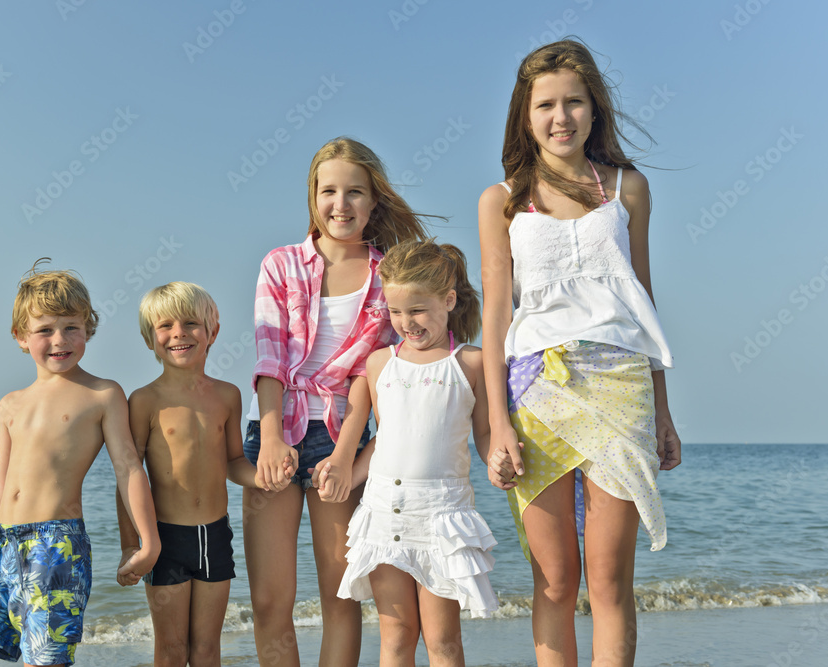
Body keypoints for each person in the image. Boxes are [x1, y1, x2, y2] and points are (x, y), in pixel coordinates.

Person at [478, 39, 681, 666]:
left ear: (594, 110)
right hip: (536, 385)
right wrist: (496, 425)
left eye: (574, 102)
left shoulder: (629, 189)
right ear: (525, 114)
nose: (560, 117)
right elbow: (494, 316)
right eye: (546, 105)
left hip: (621, 382)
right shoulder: (502, 200)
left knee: (609, 582)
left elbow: (644, 300)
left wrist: (664, 411)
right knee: (556, 580)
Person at [243, 137, 430, 667]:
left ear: (374, 202)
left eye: (355, 192)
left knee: (342, 594)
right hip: (277, 429)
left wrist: (347, 456)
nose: (340, 205)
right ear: (312, 197)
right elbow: (270, 359)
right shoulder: (280, 265)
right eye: (329, 191)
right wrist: (273, 438)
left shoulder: (388, 274)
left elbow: (369, 378)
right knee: (269, 599)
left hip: (344, 435)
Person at [0, 259, 160, 667]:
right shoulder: (10, 404)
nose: (60, 339)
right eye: (45, 330)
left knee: (45, 661)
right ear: (21, 337)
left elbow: (127, 468)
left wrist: (149, 542)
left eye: (71, 326)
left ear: (88, 328)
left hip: (55, 549)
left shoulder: (102, 394)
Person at [334, 239, 507, 667]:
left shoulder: (470, 363)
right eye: (395, 311)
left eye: (417, 310)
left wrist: (497, 460)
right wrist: (344, 473)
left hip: (441, 516)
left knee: (443, 641)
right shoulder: (378, 365)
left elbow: (483, 433)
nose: (405, 322)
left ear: (448, 300)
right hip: (384, 514)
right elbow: (385, 439)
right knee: (395, 635)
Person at [118, 281, 279, 667]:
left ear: (213, 332)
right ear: (149, 339)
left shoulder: (227, 396)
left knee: (207, 649)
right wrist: (131, 545)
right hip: (164, 537)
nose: (179, 333)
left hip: (214, 535)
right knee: (172, 650)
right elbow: (128, 477)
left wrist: (261, 477)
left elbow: (233, 461)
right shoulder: (143, 400)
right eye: (165, 326)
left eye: (191, 323)